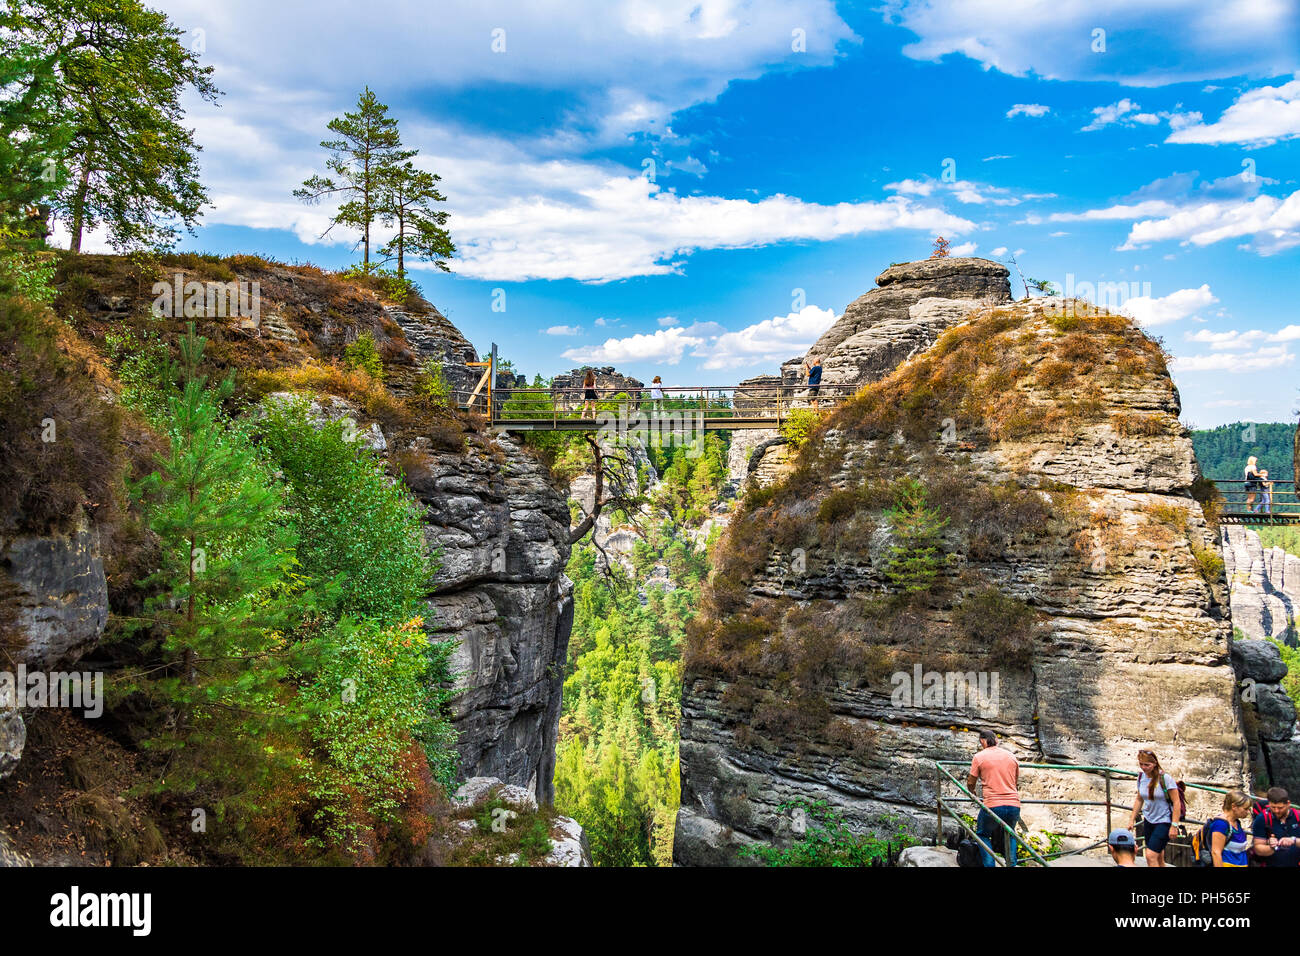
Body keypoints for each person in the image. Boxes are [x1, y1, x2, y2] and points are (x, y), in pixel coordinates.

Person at [966, 729, 1021, 867]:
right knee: (1010, 833)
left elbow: (971, 781)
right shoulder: (1011, 756)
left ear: (982, 741)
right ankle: (1011, 865)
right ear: (996, 740)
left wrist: (972, 792)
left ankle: (990, 865)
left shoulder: (979, 757)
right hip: (1014, 803)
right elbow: (1015, 781)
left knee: (983, 834)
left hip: (993, 804)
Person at [1125, 749, 1182, 867]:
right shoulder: (1141, 777)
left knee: (1150, 855)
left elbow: (1177, 802)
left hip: (1164, 820)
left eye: (1147, 765)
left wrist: (1174, 825)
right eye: (1141, 764)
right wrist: (1131, 819)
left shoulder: (1165, 778)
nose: (1144, 767)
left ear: (1155, 763)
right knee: (1159, 855)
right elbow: (1139, 799)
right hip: (1149, 820)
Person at [1251, 787, 1300, 867]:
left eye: (1280, 808)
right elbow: (1258, 848)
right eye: (1273, 807)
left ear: (1288, 804)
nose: (1276, 811)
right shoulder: (1262, 819)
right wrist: (1272, 847)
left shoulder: (1298, 817)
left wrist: (1294, 840)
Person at [1207, 790, 1254, 867]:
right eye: (1245, 809)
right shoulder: (1220, 825)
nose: (1248, 812)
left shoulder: (1236, 823)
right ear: (1234, 807)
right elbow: (1216, 852)